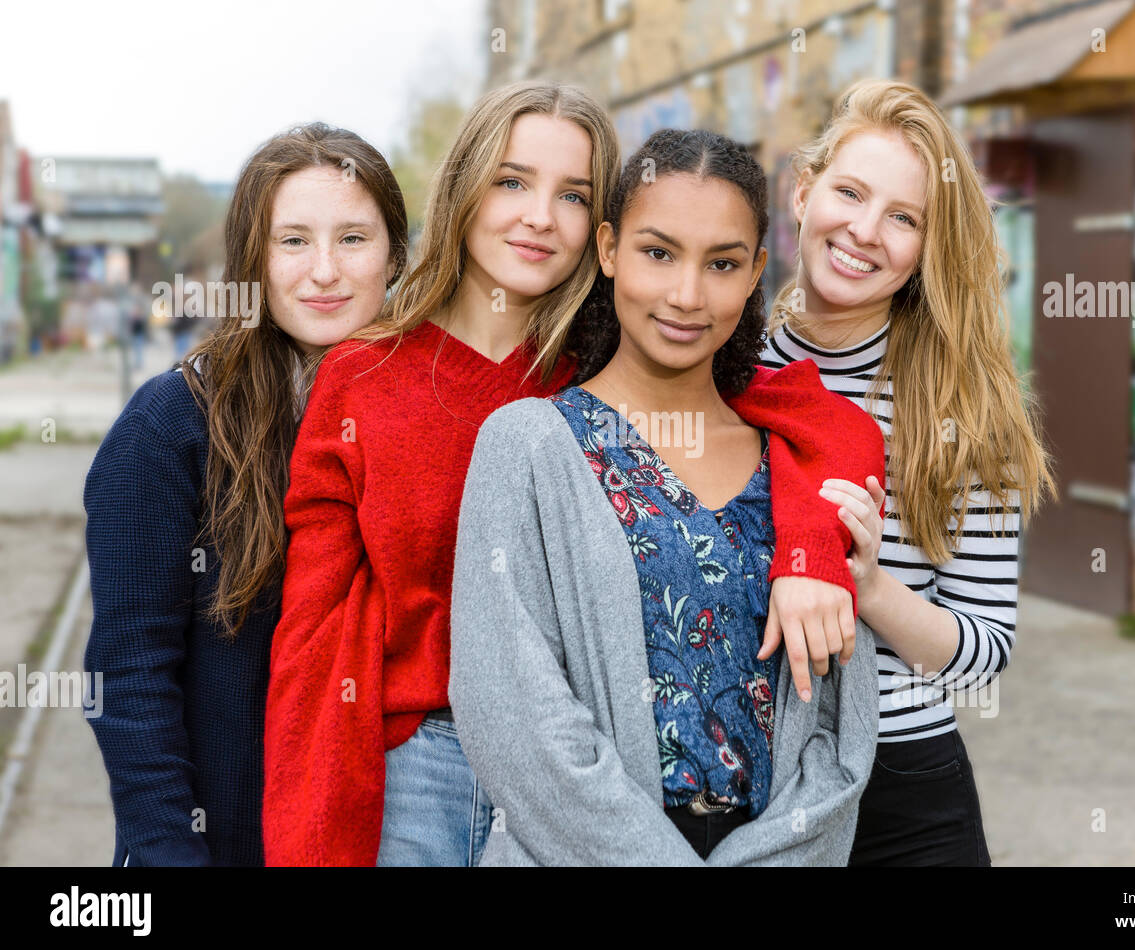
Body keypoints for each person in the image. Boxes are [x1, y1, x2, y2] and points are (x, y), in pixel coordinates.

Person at [264, 84, 876, 867]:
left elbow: (825, 425)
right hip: (424, 767)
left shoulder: (613, 362)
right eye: (512, 181)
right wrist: (309, 842)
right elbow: (312, 636)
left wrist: (810, 555)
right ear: (465, 188)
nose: (539, 217)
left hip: (595, 769)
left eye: (573, 195)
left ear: (601, 228)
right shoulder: (365, 377)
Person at [448, 128, 886, 865]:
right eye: (658, 253)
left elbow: (838, 725)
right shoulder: (527, 446)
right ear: (609, 249)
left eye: (722, 264)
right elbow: (511, 713)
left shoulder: (796, 470)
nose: (687, 295)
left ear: (755, 273)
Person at [83, 123, 407, 866]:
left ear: (395, 255)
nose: (324, 270)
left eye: (353, 238)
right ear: (252, 259)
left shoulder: (424, 418)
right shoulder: (171, 425)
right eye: (293, 241)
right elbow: (128, 677)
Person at [760, 78, 1057, 866]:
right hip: (752, 785)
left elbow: (984, 651)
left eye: (904, 218)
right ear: (802, 193)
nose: (864, 231)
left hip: (906, 788)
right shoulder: (720, 373)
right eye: (850, 193)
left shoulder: (965, 409)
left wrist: (870, 587)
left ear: (927, 247)